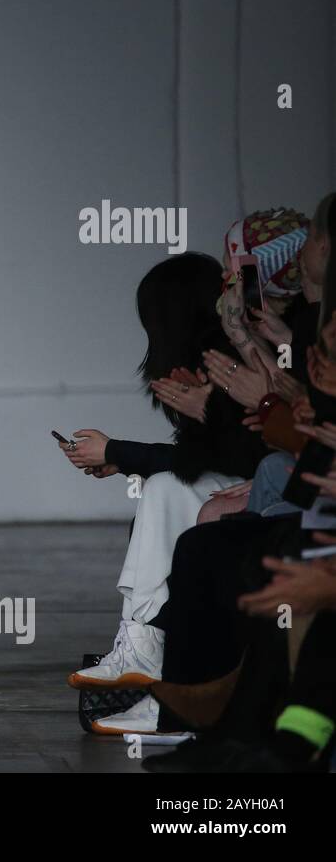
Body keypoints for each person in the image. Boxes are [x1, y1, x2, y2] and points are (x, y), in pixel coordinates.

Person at [59, 253, 267, 709]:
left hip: (272, 487)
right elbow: (208, 456)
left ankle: (153, 654)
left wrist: (120, 452)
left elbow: (239, 453)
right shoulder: (216, 355)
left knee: (165, 489)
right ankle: (143, 644)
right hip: (256, 479)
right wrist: (128, 456)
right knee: (163, 488)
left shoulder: (227, 357)